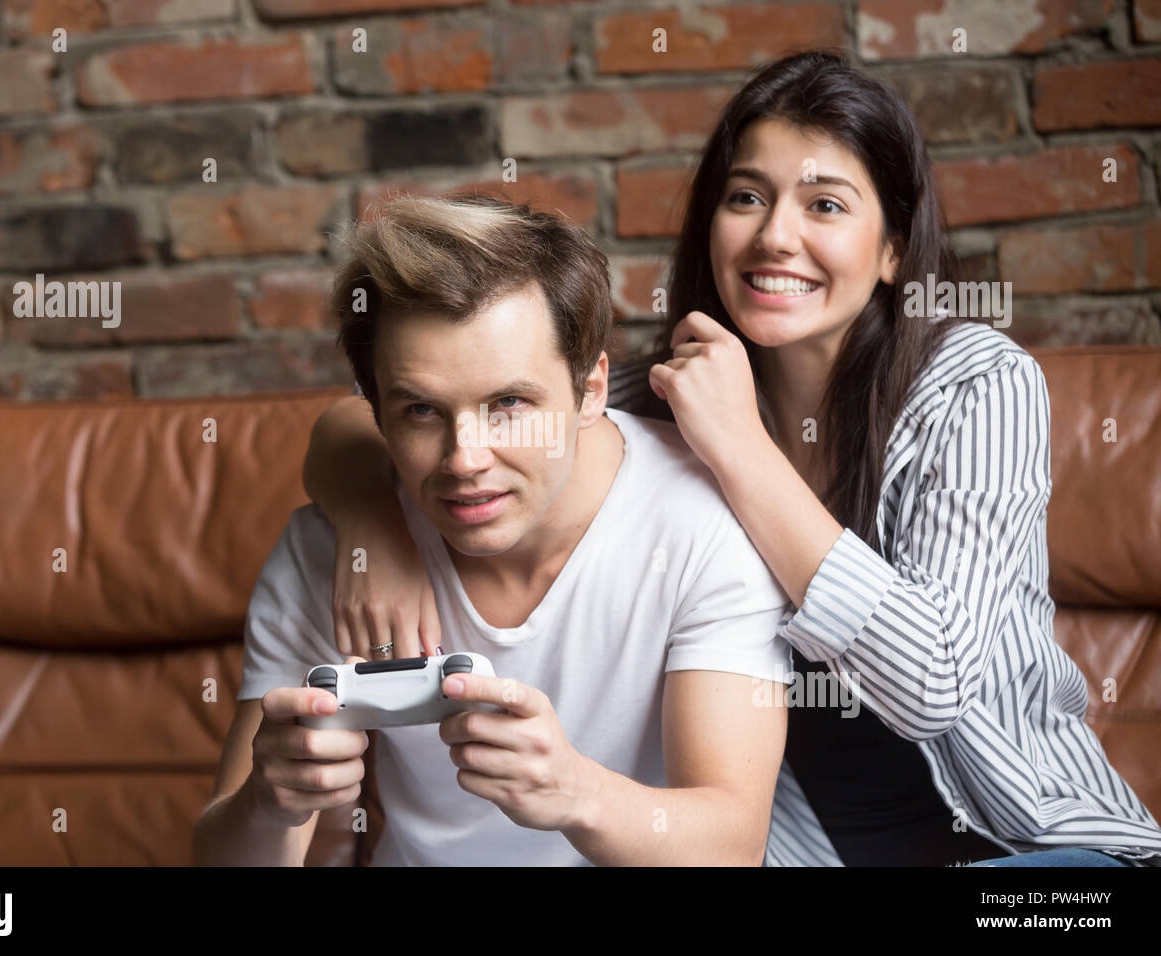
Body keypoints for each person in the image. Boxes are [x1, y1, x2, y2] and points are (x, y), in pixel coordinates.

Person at [300, 50, 1161, 866]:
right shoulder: (656, 393)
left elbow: (932, 686)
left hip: (1041, 852)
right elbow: (360, 418)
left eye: (825, 205)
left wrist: (744, 449)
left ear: (893, 248)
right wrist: (380, 528)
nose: (775, 237)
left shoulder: (979, 386)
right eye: (746, 198)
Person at [193, 194, 796, 867]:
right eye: (422, 411)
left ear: (591, 388)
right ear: (378, 413)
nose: (465, 459)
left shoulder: (699, 525)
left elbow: (733, 846)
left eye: (510, 403)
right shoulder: (330, 554)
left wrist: (575, 792)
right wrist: (268, 805)